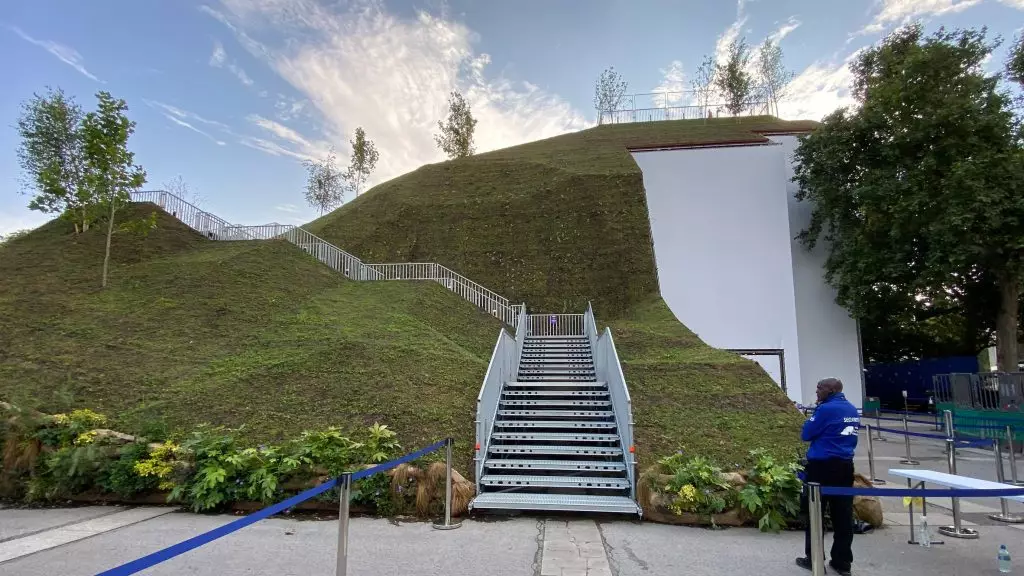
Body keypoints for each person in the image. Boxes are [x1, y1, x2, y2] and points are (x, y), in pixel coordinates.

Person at [795, 378, 859, 576]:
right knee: (843, 516)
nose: (816, 391)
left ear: (831, 390)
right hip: (845, 467)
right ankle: (842, 562)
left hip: (821, 468)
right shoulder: (851, 409)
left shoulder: (825, 409)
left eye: (820, 388)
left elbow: (806, 434)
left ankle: (813, 559)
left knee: (815, 514)